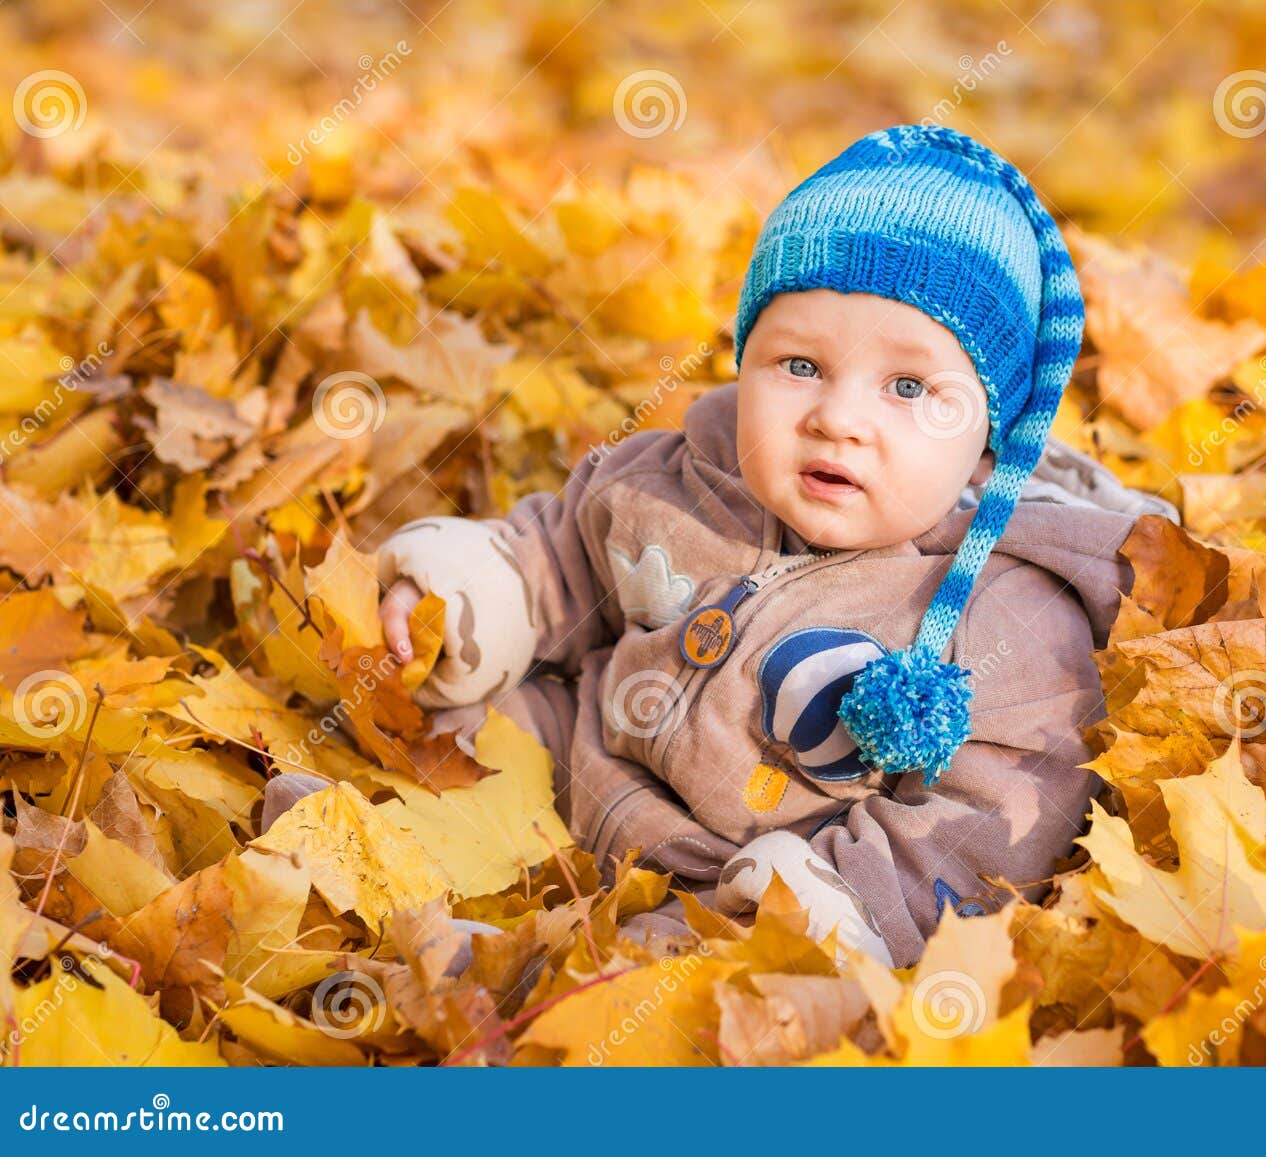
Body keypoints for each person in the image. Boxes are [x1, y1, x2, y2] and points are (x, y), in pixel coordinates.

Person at [374, 123, 1177, 967]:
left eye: (908, 386)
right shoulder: (683, 475)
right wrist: (464, 599)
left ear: (988, 437)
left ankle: (529, 982)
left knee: (708, 969)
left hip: (746, 877)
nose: (837, 418)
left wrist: (842, 895)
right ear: (744, 359)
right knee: (447, 714)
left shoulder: (1009, 612)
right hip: (585, 760)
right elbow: (562, 555)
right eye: (798, 365)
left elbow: (995, 813)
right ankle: (367, 852)